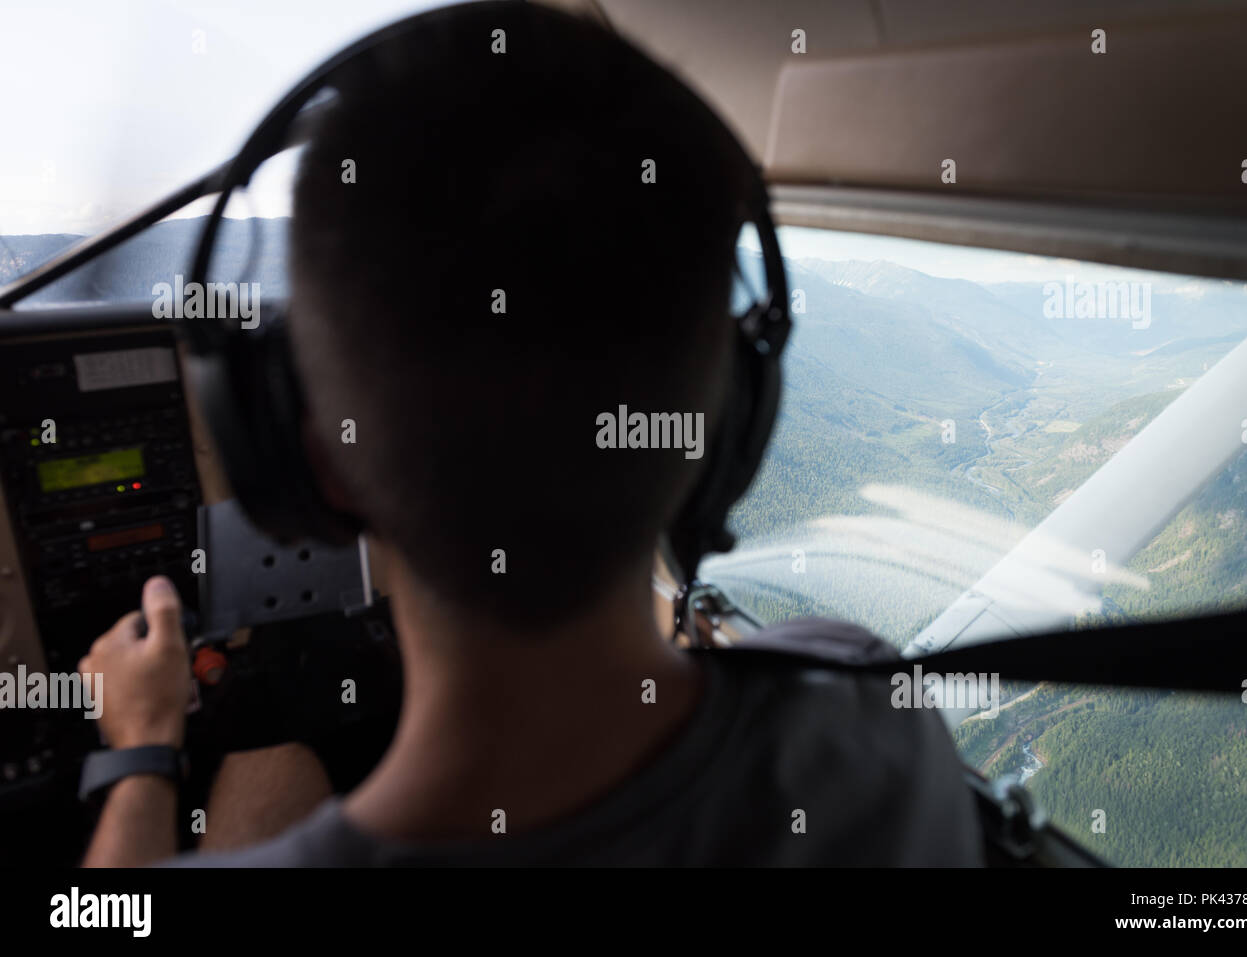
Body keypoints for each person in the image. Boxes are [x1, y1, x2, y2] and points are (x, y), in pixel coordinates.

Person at [79, 4, 983, 867]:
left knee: (267, 766)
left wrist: (142, 750)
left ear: (305, 457)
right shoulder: (875, 720)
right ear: (726, 431)